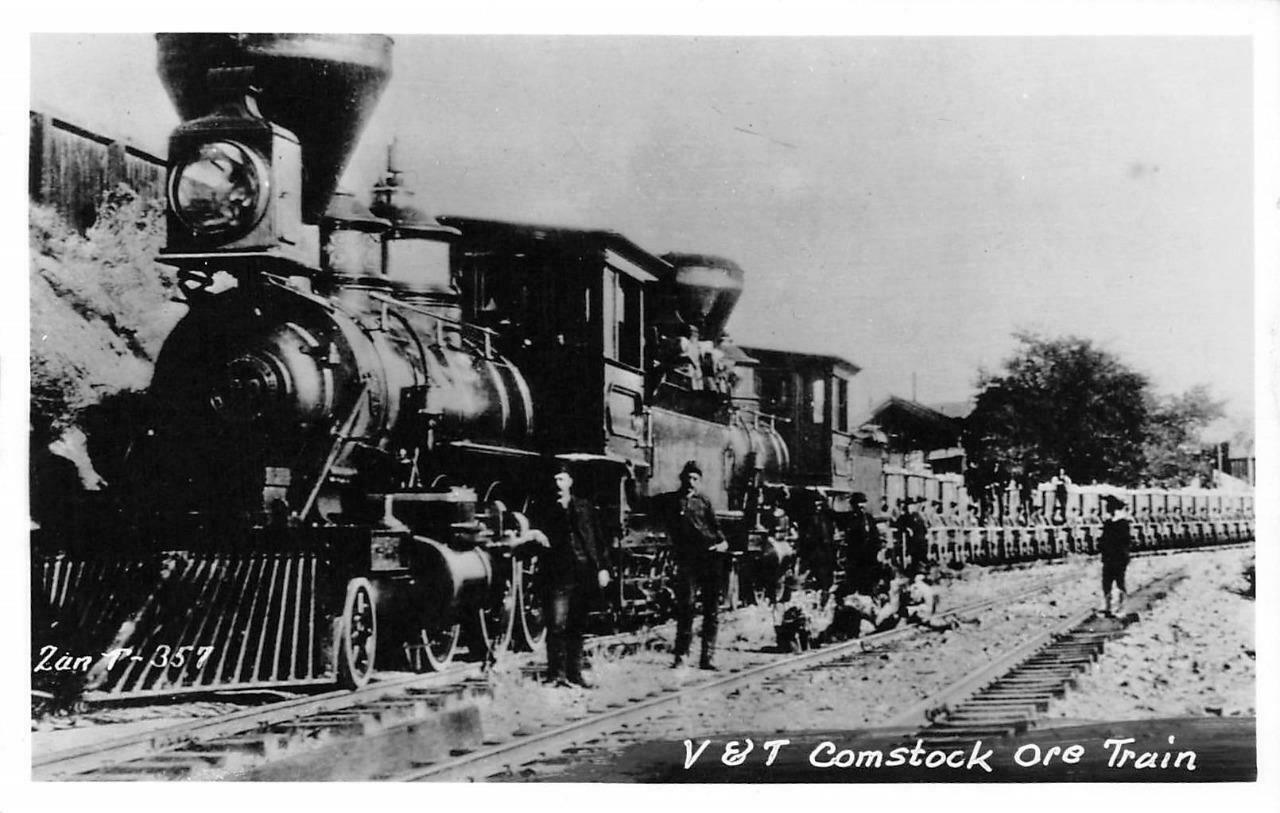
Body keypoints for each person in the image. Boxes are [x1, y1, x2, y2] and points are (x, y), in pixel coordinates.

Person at [530, 466, 611, 687]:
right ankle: (556, 674)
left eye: (562, 478)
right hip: (558, 572)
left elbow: (598, 539)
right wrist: (535, 533)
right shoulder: (545, 508)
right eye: (555, 478)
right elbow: (532, 530)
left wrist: (603, 568)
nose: (558, 483)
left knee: (577, 624)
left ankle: (574, 672)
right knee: (556, 623)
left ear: (570, 482)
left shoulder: (585, 507)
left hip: (584, 571)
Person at [661, 460, 729, 670]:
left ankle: (707, 658)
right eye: (688, 478)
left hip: (710, 558)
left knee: (711, 610)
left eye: (695, 479)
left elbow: (716, 528)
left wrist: (723, 543)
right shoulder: (671, 501)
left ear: (699, 481)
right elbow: (639, 502)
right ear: (682, 479)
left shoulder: (704, 501)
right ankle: (681, 655)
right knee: (686, 607)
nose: (690, 482)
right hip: (688, 560)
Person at [842, 492, 882, 594]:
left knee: (868, 583)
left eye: (863, 503)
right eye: (859, 504)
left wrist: (877, 549)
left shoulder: (868, 518)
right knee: (855, 582)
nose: (861, 506)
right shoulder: (850, 519)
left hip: (868, 557)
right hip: (855, 558)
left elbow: (875, 536)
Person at [1099, 496, 1132, 617]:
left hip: (1118, 557)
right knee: (1106, 582)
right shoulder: (1109, 523)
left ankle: (1121, 608)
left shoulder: (1122, 523)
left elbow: (1125, 541)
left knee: (1119, 582)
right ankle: (1109, 607)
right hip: (1109, 557)